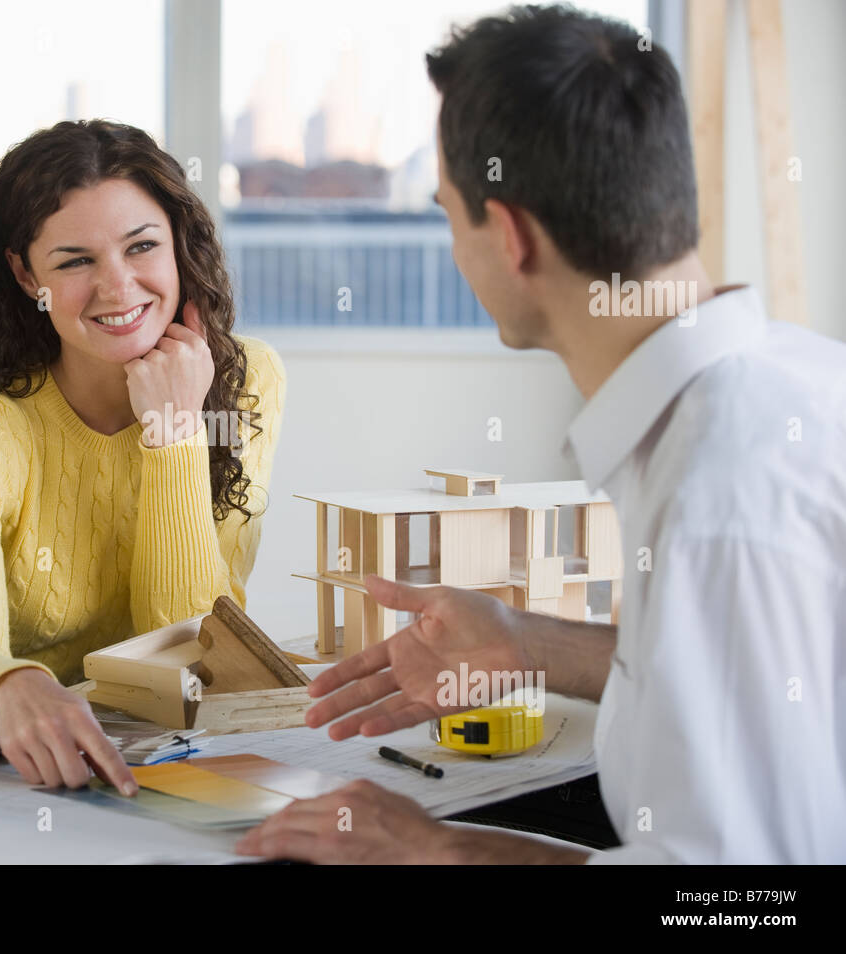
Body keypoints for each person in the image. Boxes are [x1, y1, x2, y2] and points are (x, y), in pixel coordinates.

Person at [236, 3, 845, 864]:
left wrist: (434, 852)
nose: (453, 249)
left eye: (451, 216)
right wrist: (531, 647)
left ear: (513, 235)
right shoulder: (793, 384)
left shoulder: (720, 496)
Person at [0, 120, 286, 795]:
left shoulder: (247, 383)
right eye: (75, 261)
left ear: (180, 245)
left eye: (142, 247)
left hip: (91, 742)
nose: (119, 287)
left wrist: (175, 429)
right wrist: (20, 686)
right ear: (25, 273)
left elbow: (188, 641)